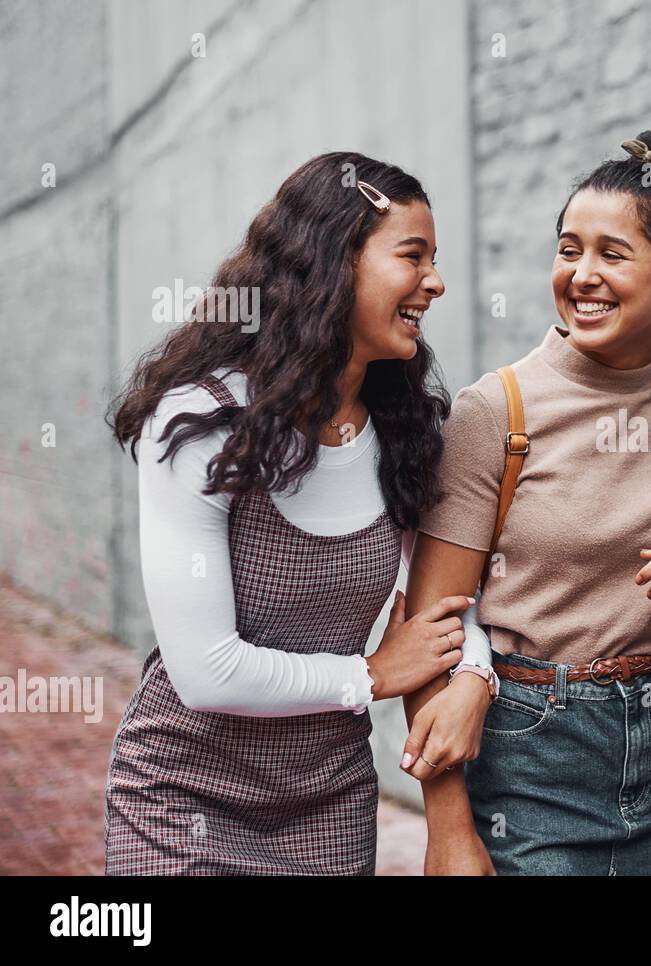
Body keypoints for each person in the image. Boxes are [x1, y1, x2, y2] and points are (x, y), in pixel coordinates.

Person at [398, 131, 651, 875]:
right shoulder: (499, 410)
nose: (582, 275)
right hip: (525, 748)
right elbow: (432, 629)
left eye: (612, 254)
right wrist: (447, 830)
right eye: (567, 249)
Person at [104, 152, 471, 874]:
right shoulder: (202, 421)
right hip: (182, 799)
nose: (436, 282)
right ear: (334, 261)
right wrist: (367, 676)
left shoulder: (404, 430)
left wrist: (477, 680)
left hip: (329, 803)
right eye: (413, 255)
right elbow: (207, 670)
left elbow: (450, 598)